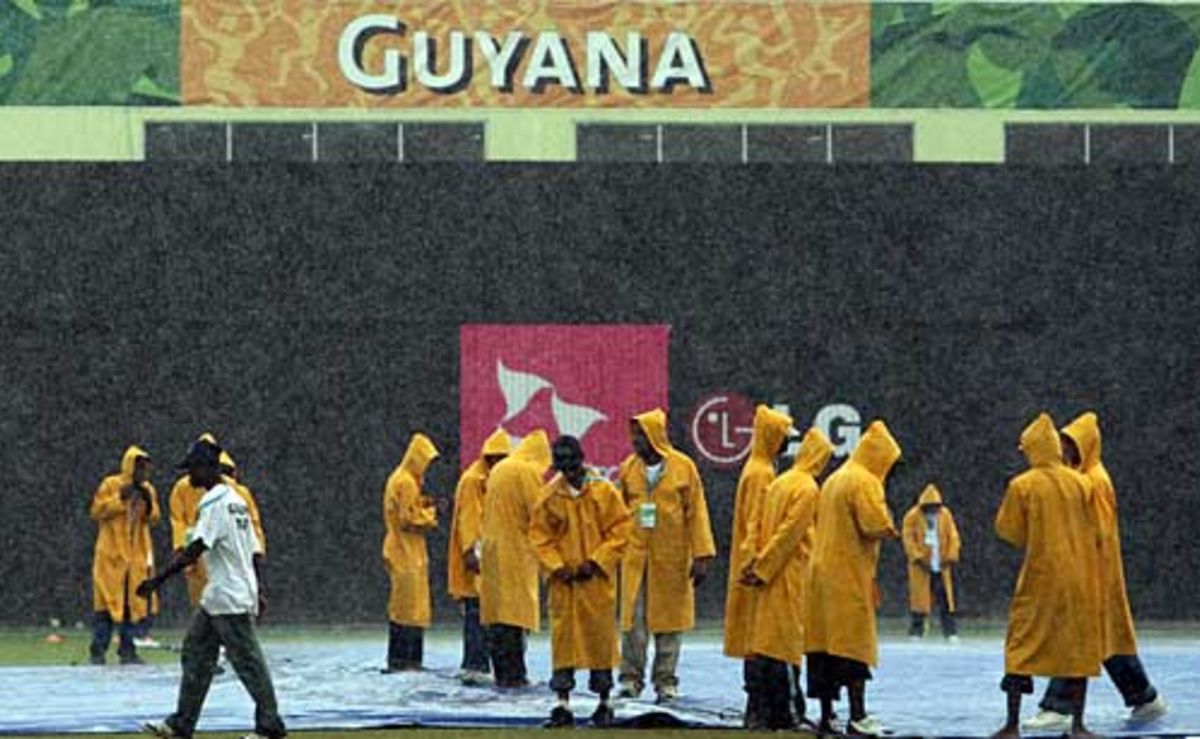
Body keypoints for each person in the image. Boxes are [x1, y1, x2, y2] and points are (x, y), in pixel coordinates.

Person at [1025, 413, 1167, 731]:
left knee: (1079, 639)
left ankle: (1057, 707)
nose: (1062, 450)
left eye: (1069, 444)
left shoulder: (1095, 481)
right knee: (1107, 643)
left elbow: (1098, 533)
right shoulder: (1083, 476)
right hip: (1090, 572)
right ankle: (1144, 697)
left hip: (1092, 574)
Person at [139, 438, 285, 739]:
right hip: (220, 595)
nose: (189, 477)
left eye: (192, 469)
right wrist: (259, 588)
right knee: (195, 652)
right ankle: (181, 724)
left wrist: (158, 580)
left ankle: (270, 726)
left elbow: (195, 548)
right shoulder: (237, 501)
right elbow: (254, 550)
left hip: (228, 597)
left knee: (249, 663)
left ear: (207, 468)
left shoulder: (216, 504)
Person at [992, 412, 1102, 739]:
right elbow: (1094, 527)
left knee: (1020, 646)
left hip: (1040, 576)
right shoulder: (1082, 482)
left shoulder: (1022, 485)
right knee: (1077, 649)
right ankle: (1078, 724)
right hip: (1079, 575)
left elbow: (1009, 531)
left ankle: (1012, 724)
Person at [804, 420, 902, 737]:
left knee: (822, 647)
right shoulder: (865, 481)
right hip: (845, 574)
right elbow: (874, 523)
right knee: (852, 647)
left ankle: (826, 715)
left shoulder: (835, 478)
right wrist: (891, 525)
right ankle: (858, 716)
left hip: (819, 572)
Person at [531, 436, 632, 727]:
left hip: (595, 583)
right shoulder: (549, 496)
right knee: (563, 643)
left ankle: (604, 702)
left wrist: (598, 561)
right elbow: (539, 537)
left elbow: (621, 529)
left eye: (572, 462)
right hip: (565, 585)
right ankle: (562, 704)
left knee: (600, 642)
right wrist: (556, 566)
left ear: (582, 459)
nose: (568, 470)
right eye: (562, 464)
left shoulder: (603, 491)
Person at [617, 409, 715, 704]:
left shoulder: (683, 468)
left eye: (640, 435)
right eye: (633, 434)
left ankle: (666, 682)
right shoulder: (628, 469)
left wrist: (702, 554)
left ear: (655, 437)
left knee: (669, 623)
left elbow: (697, 513)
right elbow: (618, 513)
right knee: (632, 622)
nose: (634, 441)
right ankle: (630, 679)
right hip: (635, 558)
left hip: (671, 558)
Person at [741, 427, 833, 730]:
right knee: (786, 644)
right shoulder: (807, 488)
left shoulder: (779, 482)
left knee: (766, 641)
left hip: (767, 573)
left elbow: (755, 523)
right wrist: (765, 567)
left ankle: (765, 710)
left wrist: (752, 561)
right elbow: (790, 533)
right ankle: (788, 712)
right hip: (788, 573)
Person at [724, 405, 793, 726]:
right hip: (755, 570)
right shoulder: (762, 473)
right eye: (782, 437)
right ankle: (761, 708)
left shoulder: (758, 467)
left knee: (755, 638)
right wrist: (758, 565)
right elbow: (757, 522)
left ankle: (759, 708)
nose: (786, 444)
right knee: (760, 638)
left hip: (749, 565)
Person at [480, 429, 552, 687]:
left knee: (499, 616)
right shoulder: (526, 471)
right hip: (515, 551)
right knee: (514, 617)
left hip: (493, 548)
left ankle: (502, 673)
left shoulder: (501, 469)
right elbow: (539, 513)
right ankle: (514, 675)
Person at [448, 428, 511, 684]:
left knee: (482, 611)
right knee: (476, 611)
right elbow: (470, 520)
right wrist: (472, 552)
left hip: (485, 555)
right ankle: (474, 665)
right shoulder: (474, 481)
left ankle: (479, 663)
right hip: (476, 557)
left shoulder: (489, 480)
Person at [90, 445, 159, 665]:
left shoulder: (148, 489)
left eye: (146, 470)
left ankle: (127, 650)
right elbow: (97, 511)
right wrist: (120, 499)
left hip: (135, 557)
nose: (143, 474)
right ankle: (97, 651)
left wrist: (148, 502)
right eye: (140, 469)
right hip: (111, 556)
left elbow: (154, 518)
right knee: (106, 606)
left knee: (131, 605)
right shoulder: (111, 484)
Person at [381, 432, 440, 672]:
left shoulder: (402, 479)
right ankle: (406, 660)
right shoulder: (405, 481)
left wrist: (423, 504)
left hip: (405, 551)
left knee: (407, 608)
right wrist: (432, 514)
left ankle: (403, 660)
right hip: (405, 552)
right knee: (409, 610)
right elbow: (408, 518)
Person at [901, 484, 961, 641]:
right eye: (929, 507)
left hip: (941, 565)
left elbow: (953, 536)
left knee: (945, 600)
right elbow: (908, 539)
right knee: (919, 601)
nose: (932, 510)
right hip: (921, 567)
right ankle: (916, 631)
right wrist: (918, 558)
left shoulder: (945, 515)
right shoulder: (912, 516)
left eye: (935, 507)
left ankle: (950, 632)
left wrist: (950, 557)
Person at [170, 433, 220, 607]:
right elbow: (177, 518)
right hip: (195, 547)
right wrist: (180, 545)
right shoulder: (182, 487)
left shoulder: (227, 489)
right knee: (199, 596)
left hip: (217, 547)